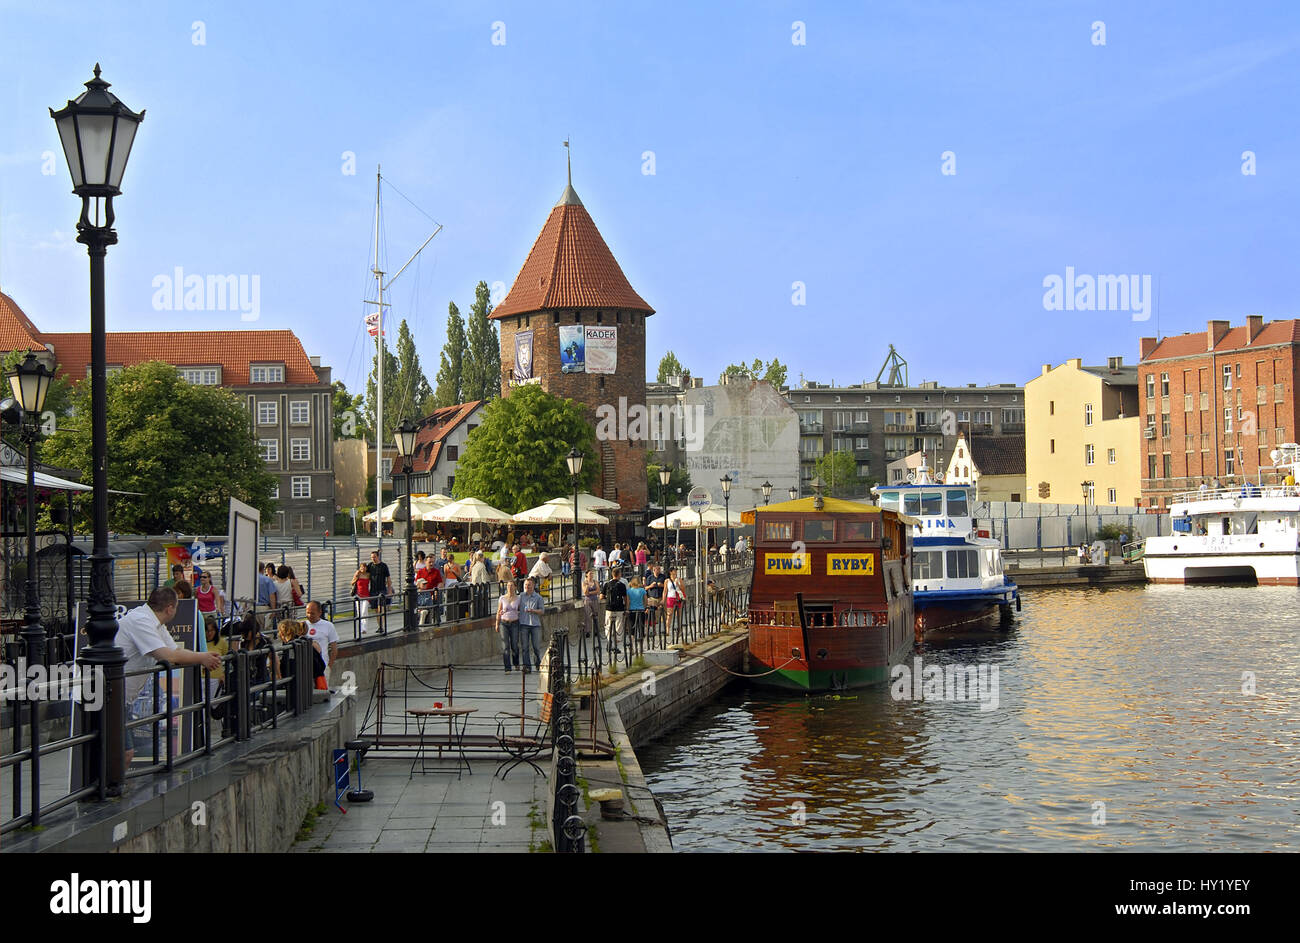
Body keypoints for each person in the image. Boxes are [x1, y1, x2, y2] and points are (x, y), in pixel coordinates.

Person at [118, 588, 221, 764]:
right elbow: (168, 656)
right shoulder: (141, 621)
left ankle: (111, 787)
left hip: (120, 696)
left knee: (121, 752)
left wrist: (202, 657)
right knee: (124, 753)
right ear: (170, 608)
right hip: (110, 695)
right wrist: (202, 657)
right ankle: (112, 789)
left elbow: (176, 651)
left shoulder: (154, 623)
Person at [303, 601, 340, 685]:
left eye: (312, 613)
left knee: (322, 692)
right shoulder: (303, 625)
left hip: (322, 666)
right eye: (307, 613)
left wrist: (329, 666)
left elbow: (334, 649)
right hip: (307, 667)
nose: (309, 616)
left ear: (320, 612)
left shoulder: (328, 626)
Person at [518, 577, 546, 673]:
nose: (527, 587)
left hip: (535, 625)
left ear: (533, 586)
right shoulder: (521, 596)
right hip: (524, 624)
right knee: (525, 647)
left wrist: (533, 610)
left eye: (529, 585)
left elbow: (542, 611)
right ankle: (527, 667)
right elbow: (514, 605)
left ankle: (538, 664)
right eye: (525, 585)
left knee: (536, 647)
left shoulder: (538, 597)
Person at [600, 566, 629, 657]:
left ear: (612, 574)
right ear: (619, 574)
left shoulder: (607, 584)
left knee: (608, 626)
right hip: (619, 608)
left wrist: (607, 598)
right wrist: (626, 608)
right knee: (618, 627)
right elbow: (625, 598)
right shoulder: (621, 585)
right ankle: (616, 646)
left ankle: (609, 641)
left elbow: (601, 597)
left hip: (609, 608)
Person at [496, 580, 522, 672]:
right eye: (508, 586)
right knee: (505, 646)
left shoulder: (519, 598)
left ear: (515, 587)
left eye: (511, 586)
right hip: (504, 623)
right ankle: (507, 667)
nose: (509, 588)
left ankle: (516, 663)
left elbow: (521, 610)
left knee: (514, 645)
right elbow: (498, 611)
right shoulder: (502, 598)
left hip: (515, 623)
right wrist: (497, 623)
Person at [366, 551, 393, 626]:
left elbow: (388, 578)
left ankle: (382, 626)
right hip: (373, 590)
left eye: (374, 557)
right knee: (376, 610)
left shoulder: (383, 566)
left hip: (382, 590)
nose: (373, 559)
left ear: (378, 557)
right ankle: (379, 626)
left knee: (381, 609)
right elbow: (365, 575)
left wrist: (389, 590)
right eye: (372, 557)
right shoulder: (370, 566)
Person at [350, 564, 375, 635]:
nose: (363, 568)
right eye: (361, 567)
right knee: (359, 612)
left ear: (366, 568)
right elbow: (352, 583)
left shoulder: (368, 575)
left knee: (364, 611)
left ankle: (365, 628)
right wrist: (356, 577)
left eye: (364, 567)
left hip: (366, 595)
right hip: (358, 595)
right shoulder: (358, 574)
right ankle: (361, 628)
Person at [664, 566, 685, 641]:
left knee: (678, 614)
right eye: (674, 571)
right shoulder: (667, 581)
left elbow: (683, 589)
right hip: (670, 598)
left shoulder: (679, 579)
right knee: (669, 614)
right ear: (670, 572)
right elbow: (665, 591)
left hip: (678, 598)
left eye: (676, 570)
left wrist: (678, 584)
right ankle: (667, 630)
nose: (675, 572)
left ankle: (679, 629)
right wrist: (663, 600)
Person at [627, 575, 646, 647]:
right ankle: (641, 645)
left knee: (632, 628)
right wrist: (644, 607)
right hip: (641, 610)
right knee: (641, 628)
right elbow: (645, 600)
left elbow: (628, 602)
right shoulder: (642, 590)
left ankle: (631, 645)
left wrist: (627, 609)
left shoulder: (629, 591)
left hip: (632, 610)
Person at [582, 569, 602, 638]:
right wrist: (587, 586)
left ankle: (596, 631)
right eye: (590, 574)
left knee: (596, 615)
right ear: (586, 575)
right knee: (587, 616)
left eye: (592, 574)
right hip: (587, 601)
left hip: (595, 599)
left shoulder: (595, 581)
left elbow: (598, 590)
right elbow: (585, 592)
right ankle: (587, 631)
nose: (591, 575)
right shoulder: (584, 582)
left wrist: (590, 593)